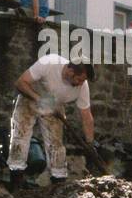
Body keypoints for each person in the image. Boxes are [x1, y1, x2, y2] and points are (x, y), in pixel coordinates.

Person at [8, 54, 95, 188]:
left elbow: (86, 115)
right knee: (21, 136)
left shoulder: (82, 86)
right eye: (79, 79)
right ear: (70, 71)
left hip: (55, 106)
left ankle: (58, 180)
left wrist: (90, 143)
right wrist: (40, 99)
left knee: (56, 144)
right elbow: (20, 82)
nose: (81, 83)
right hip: (30, 97)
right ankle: (16, 177)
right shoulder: (49, 63)